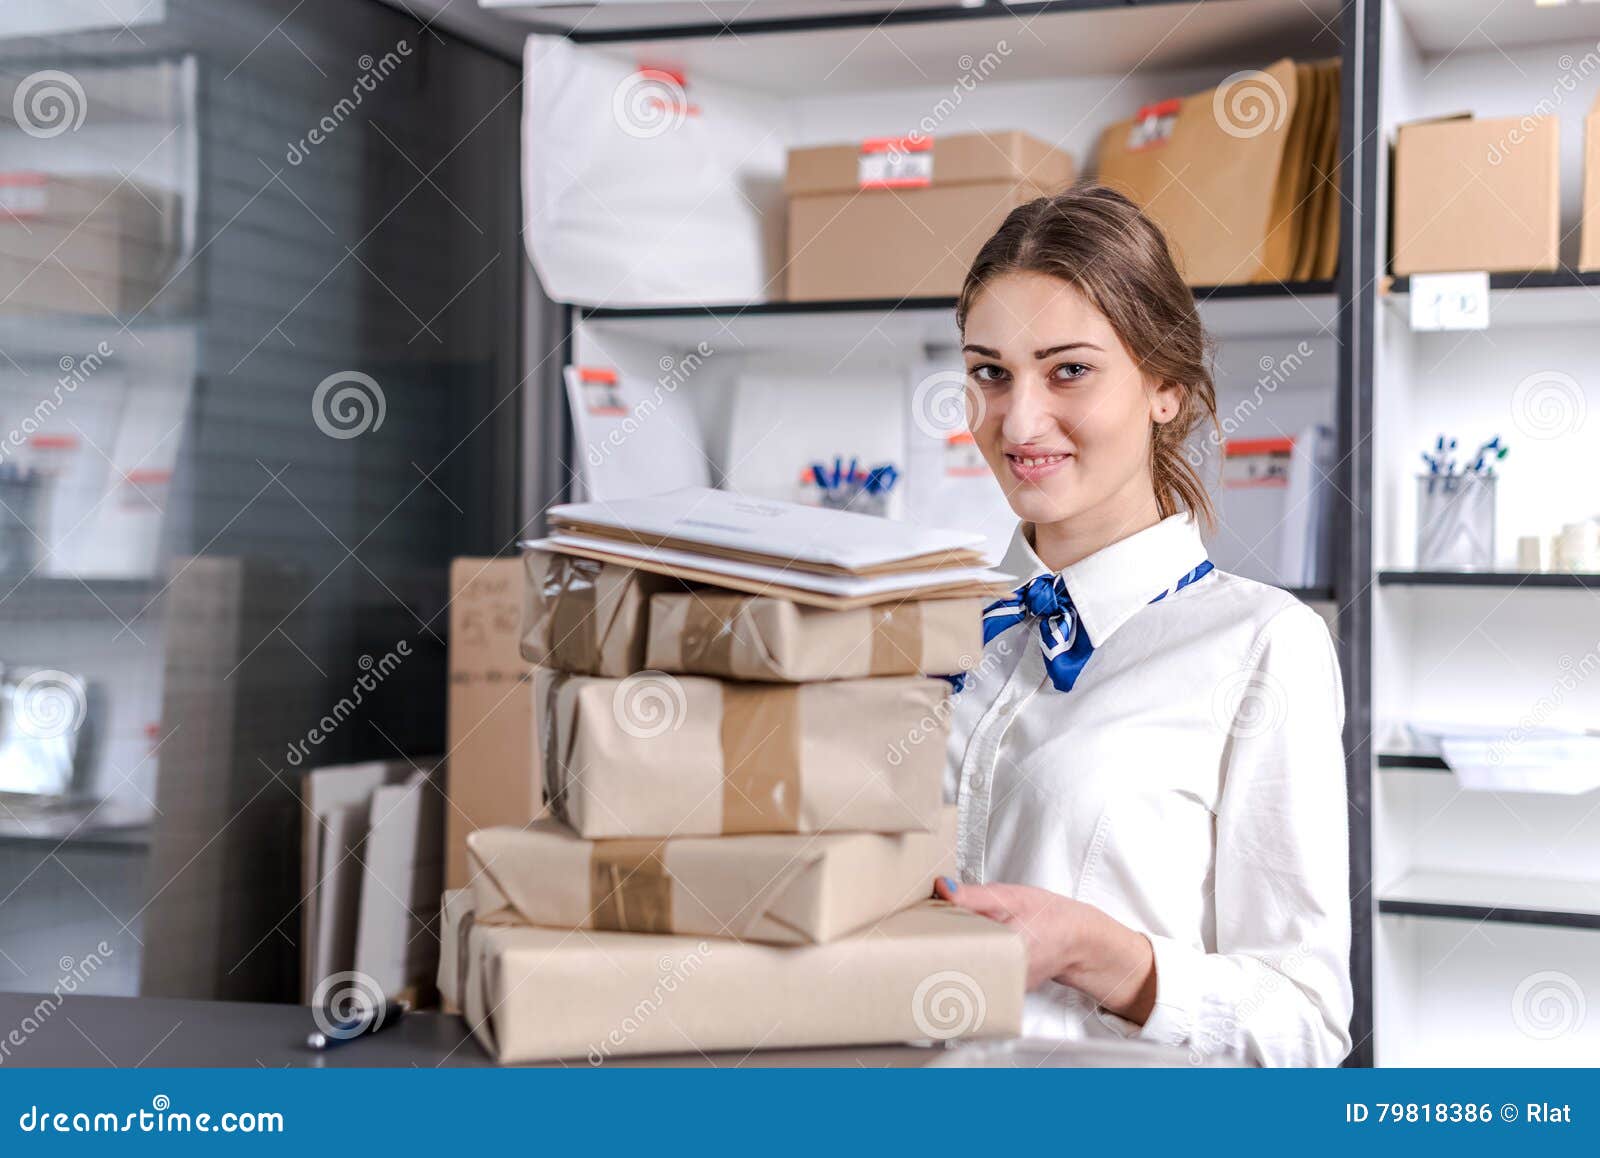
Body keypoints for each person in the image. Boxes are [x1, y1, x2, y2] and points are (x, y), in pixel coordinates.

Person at [934, 184, 1352, 1067]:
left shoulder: (1262, 644)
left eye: (1069, 370)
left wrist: (1102, 956)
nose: (1018, 419)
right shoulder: (930, 628)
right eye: (989, 372)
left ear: (1165, 385)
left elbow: (1306, 1027)